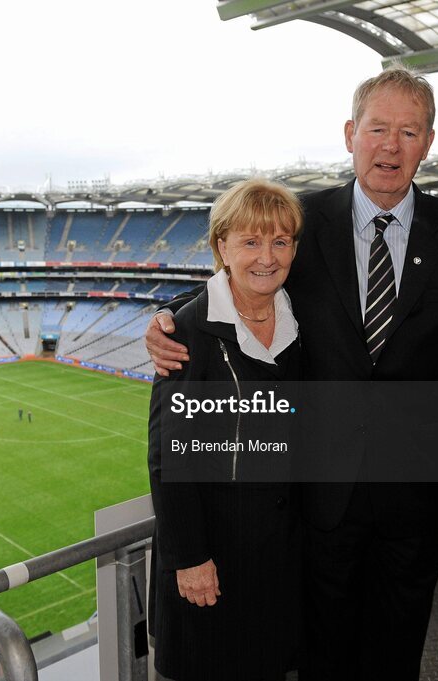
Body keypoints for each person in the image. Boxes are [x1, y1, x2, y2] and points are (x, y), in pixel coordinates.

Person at [146, 65, 438, 680]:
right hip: (320, 496)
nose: (390, 146)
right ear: (350, 134)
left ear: (428, 142)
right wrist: (168, 320)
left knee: (397, 652)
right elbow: (245, 273)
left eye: (409, 131)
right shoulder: (303, 222)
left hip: (415, 495)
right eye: (377, 128)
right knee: (321, 655)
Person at [147, 178, 304, 681]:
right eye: (250, 241)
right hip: (211, 561)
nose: (267, 255)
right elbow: (170, 455)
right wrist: (190, 557)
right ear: (222, 247)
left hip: (282, 558)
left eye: (280, 241)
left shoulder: (302, 320)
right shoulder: (187, 332)